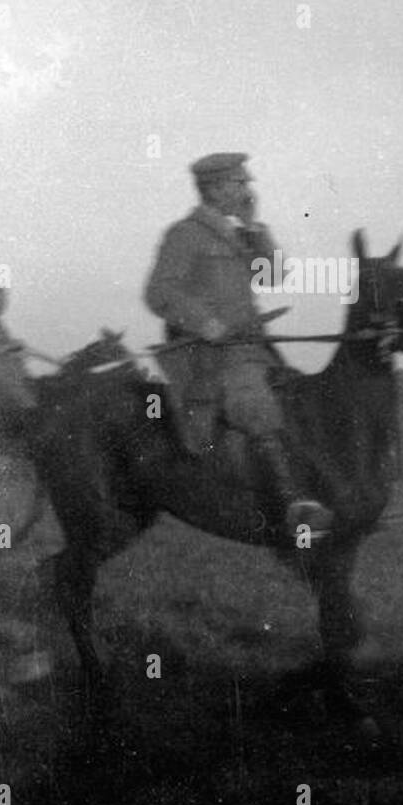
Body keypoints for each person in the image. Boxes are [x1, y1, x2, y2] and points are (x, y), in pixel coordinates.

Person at [144, 153, 331, 539]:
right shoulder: (185, 234)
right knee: (255, 404)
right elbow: (159, 291)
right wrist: (206, 322)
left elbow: (275, 275)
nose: (249, 189)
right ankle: (290, 504)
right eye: (241, 183)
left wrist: (253, 226)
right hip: (204, 352)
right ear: (214, 188)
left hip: (249, 345)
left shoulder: (237, 234)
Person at [0, 286, 52, 414]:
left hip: (16, 373)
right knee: (30, 405)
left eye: (4, 300)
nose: (3, 304)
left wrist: (18, 349)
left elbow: (8, 350)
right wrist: (11, 346)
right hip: (2, 376)